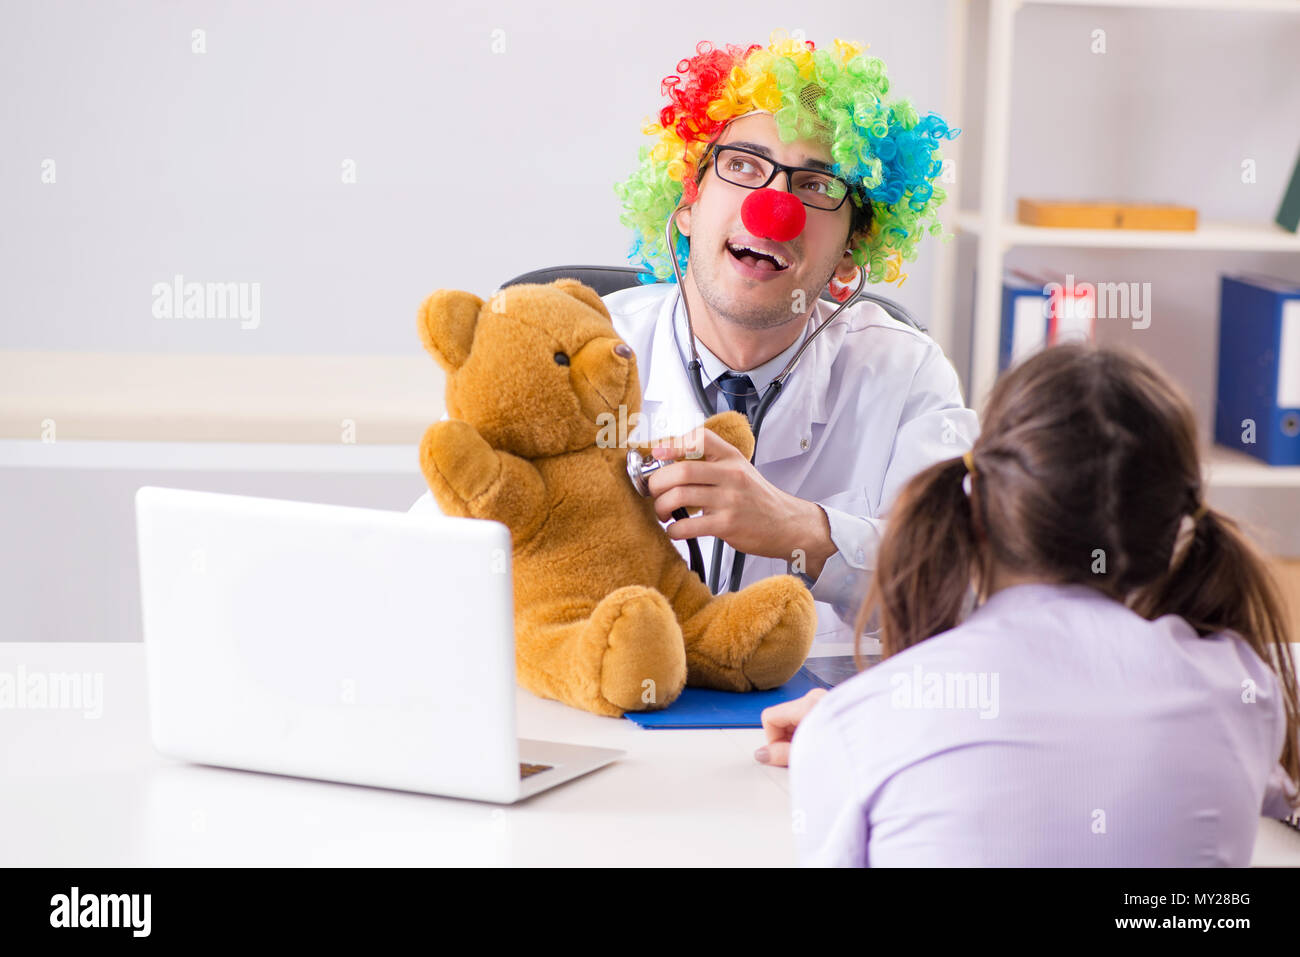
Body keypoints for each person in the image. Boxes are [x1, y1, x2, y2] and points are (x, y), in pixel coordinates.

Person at [406, 31, 980, 650]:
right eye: (742, 166)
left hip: (810, 732)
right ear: (686, 202)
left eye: (817, 186)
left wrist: (807, 533)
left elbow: (974, 588)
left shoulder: (906, 374)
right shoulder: (563, 352)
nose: (772, 207)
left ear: (852, 249)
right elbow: (430, 564)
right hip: (600, 720)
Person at [757, 342, 1300, 866]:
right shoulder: (1243, 693)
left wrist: (850, 730)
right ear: (1178, 532)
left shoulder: (857, 734)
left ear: (977, 508)